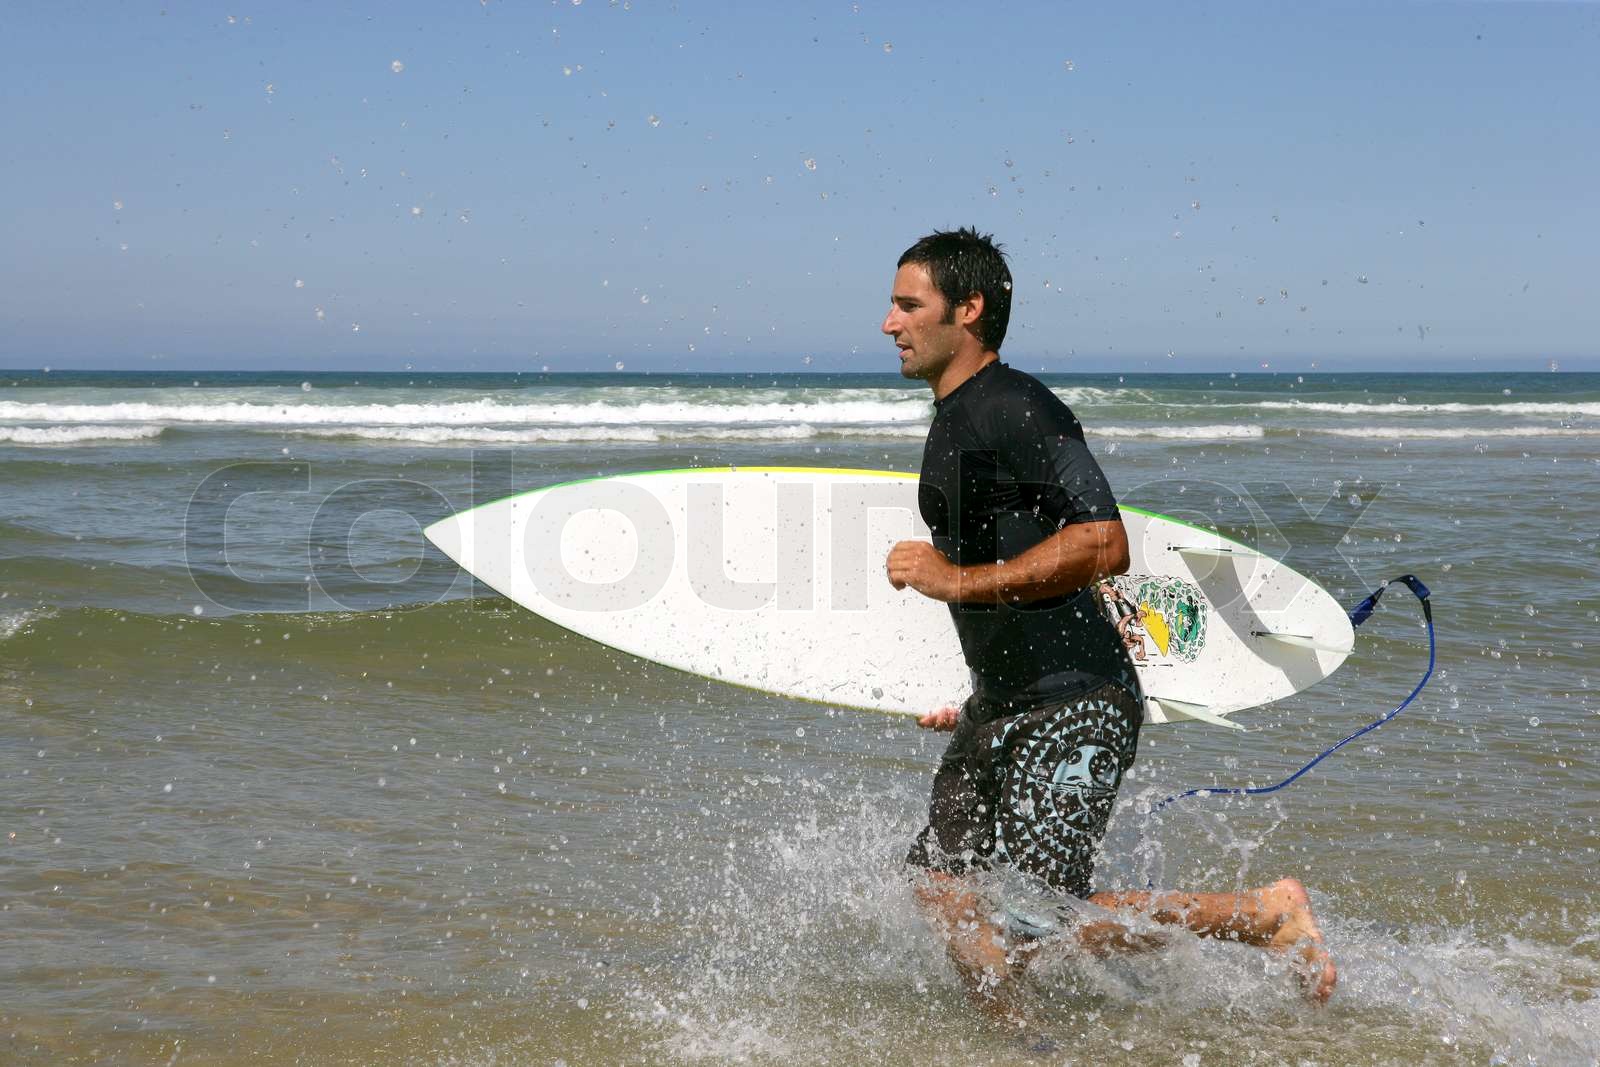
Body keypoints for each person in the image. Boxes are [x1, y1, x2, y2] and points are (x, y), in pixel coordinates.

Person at [881, 227, 1336, 1020]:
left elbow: (1103, 541)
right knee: (942, 885)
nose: (890, 323)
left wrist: (950, 578)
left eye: (908, 305)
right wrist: (975, 684)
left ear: (969, 309)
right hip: (1004, 701)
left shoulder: (1018, 406)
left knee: (1039, 919)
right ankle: (1022, 1039)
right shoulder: (955, 417)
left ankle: (1266, 915)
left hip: (1076, 700)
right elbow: (1010, 561)